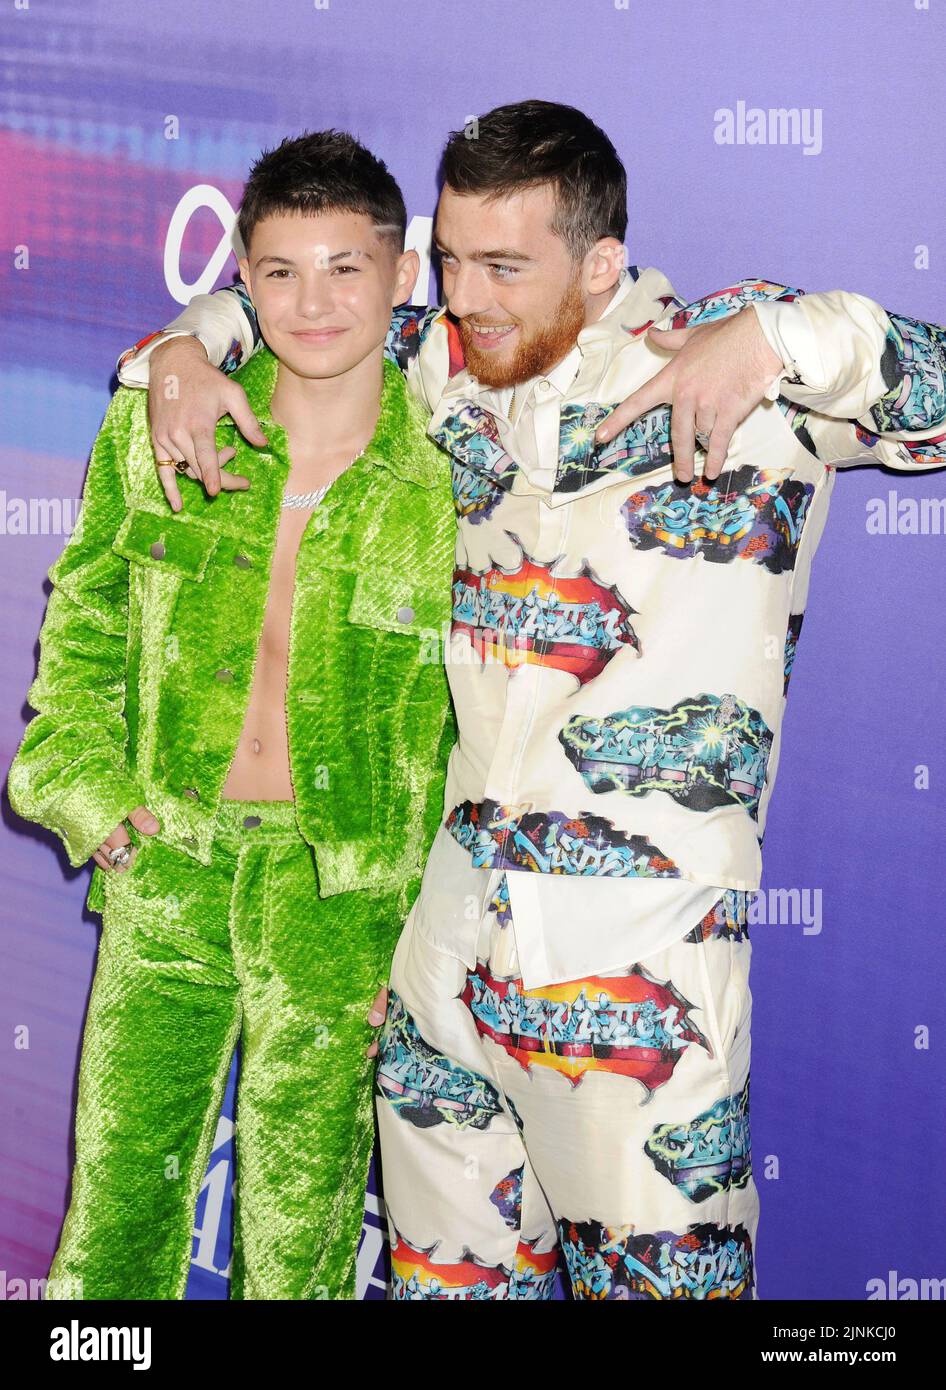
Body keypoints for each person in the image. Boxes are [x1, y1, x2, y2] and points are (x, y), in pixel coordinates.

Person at [113, 100, 945, 1300]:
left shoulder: (739, 365)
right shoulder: (441, 355)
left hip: (638, 981)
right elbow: (291, 306)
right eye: (450, 259)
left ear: (600, 261)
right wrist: (184, 352)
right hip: (441, 966)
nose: (469, 294)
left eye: (505, 266)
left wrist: (781, 335)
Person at [6, 130, 457, 1300]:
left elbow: (454, 734)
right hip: (169, 865)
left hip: (338, 905)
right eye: (281, 272)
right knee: (113, 1218)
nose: (314, 302)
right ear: (241, 283)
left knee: (298, 1240)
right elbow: (85, 626)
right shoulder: (162, 425)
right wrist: (91, 799)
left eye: (345, 268)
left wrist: (408, 942)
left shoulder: (458, 480)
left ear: (402, 275)